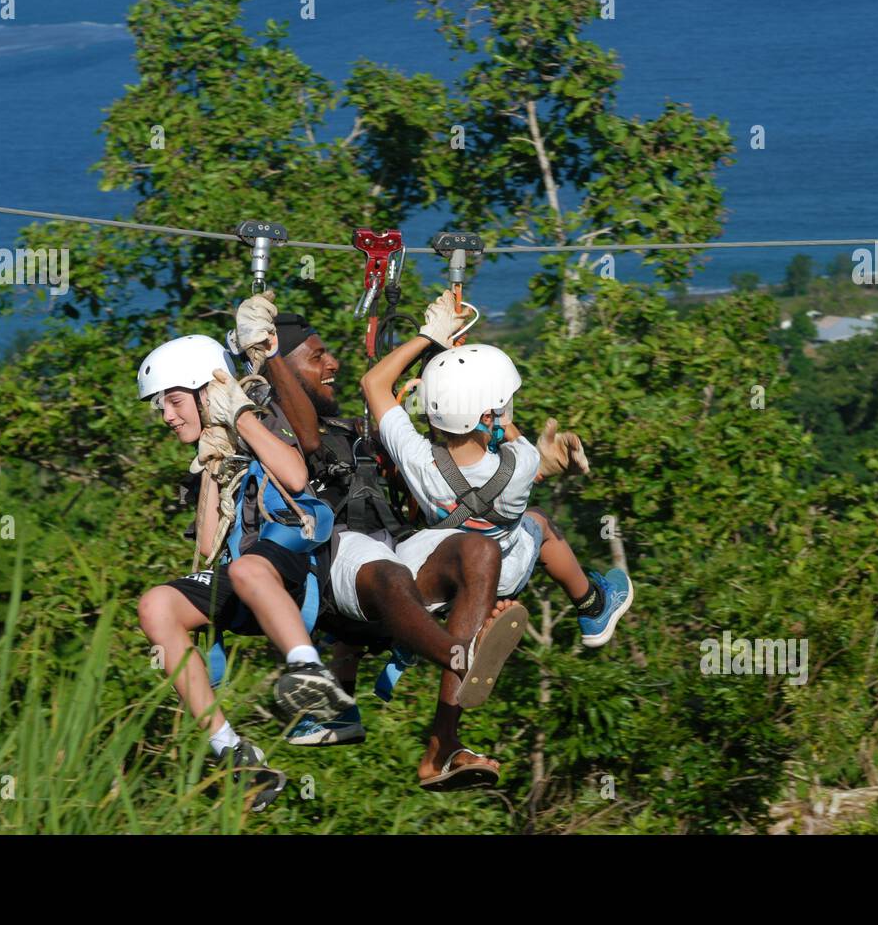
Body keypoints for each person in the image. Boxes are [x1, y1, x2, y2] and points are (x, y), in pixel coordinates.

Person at [231, 294, 528, 790]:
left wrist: (447, 371)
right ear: (284, 367)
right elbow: (304, 438)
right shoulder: (264, 421)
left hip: (389, 543)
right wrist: (267, 354)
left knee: (479, 549)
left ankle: (443, 747)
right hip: (331, 558)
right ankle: (459, 655)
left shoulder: (349, 431)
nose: (333, 363)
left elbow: (428, 454)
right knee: (387, 572)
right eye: (317, 357)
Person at [132, 333, 343, 809]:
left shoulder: (261, 419)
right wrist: (211, 466)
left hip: (289, 560)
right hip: (249, 578)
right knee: (156, 605)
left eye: (174, 401)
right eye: (161, 406)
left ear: (208, 392)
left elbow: (294, 476)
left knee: (249, 568)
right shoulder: (216, 448)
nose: (167, 416)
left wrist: (240, 418)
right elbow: (208, 546)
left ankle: (310, 675)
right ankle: (230, 749)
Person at [360, 292, 634, 647]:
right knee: (539, 520)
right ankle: (592, 604)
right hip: (504, 572)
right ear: (489, 415)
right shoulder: (522, 462)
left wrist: (429, 335)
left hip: (446, 564)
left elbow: (373, 384)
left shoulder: (417, 459)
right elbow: (510, 439)